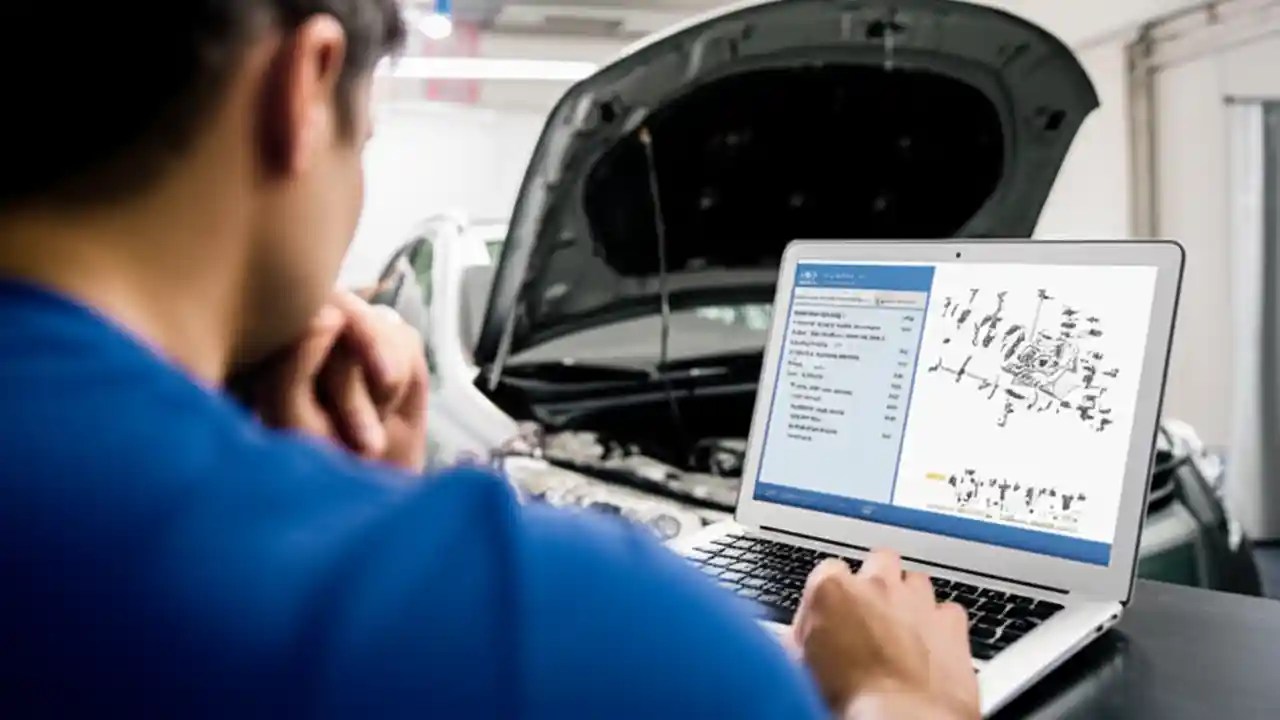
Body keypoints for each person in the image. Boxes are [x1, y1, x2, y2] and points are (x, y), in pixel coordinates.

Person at [0, 3, 977, 718]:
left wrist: (334, 505)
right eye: (366, 139)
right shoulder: (584, 634)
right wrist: (900, 695)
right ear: (305, 86)